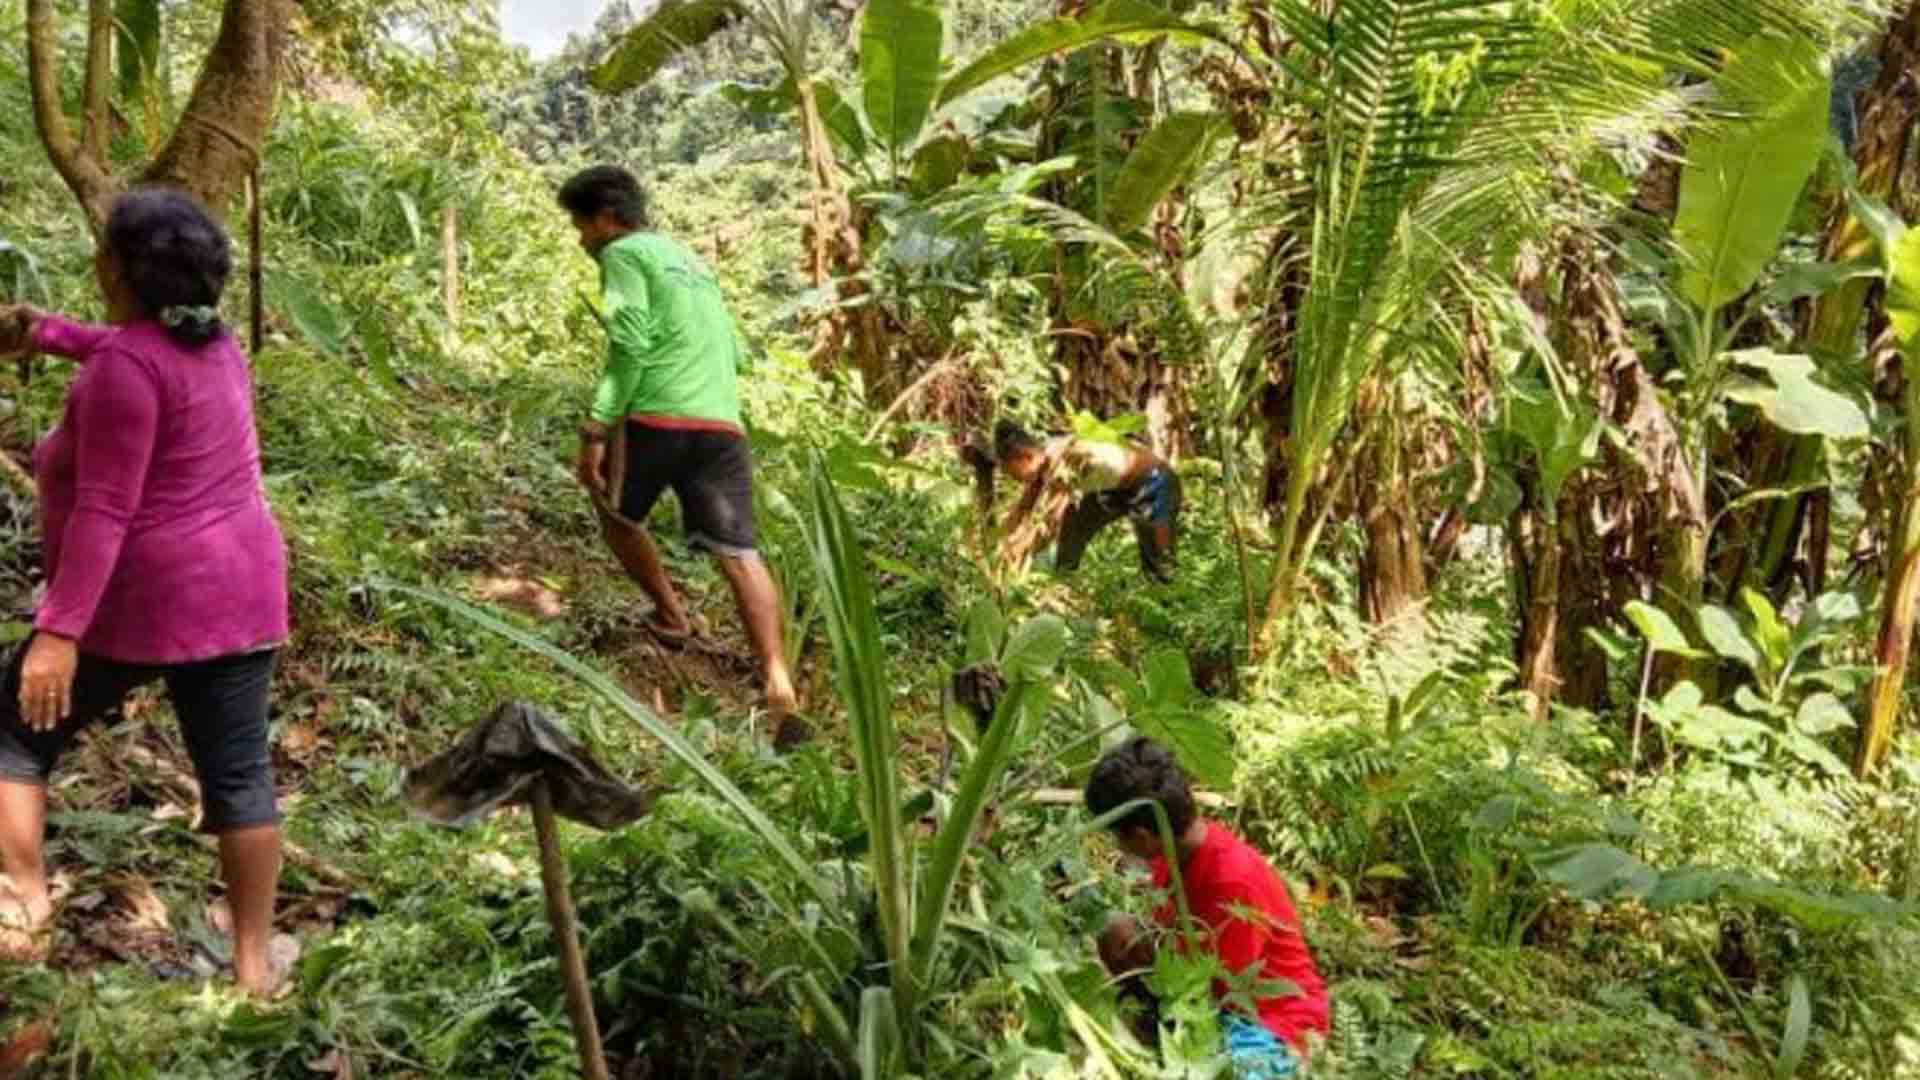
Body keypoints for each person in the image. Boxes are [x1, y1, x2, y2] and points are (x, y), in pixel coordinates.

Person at [0, 189, 288, 995]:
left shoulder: (121, 374)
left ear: (117, 270)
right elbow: (128, 353)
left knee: (13, 733)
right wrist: (44, 333)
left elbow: (105, 509)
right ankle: (255, 974)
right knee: (239, 775)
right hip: (244, 595)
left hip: (146, 600)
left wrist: (58, 632)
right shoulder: (214, 343)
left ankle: (23, 913)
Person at [556, 165, 802, 744]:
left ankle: (671, 615)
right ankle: (778, 683)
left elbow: (630, 342)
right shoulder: (692, 263)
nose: (582, 240)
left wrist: (596, 429)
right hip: (722, 424)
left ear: (607, 218)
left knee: (613, 510)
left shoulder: (623, 255)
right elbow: (738, 352)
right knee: (741, 555)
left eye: (581, 225)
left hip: (655, 416)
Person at [1085, 737, 1329, 1076]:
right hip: (1200, 993)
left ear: (1142, 837)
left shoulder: (1231, 879)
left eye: (1118, 836)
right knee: (1116, 931)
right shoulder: (1174, 853)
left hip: (1272, 1018)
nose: (1118, 845)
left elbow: (1228, 988)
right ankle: (1164, 1032)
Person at [994, 420, 1181, 583]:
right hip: (1113, 489)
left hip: (1153, 481)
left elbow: (1051, 518)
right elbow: (1025, 506)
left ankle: (1168, 595)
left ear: (1025, 457)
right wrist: (999, 541)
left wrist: (1020, 552)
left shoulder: (1063, 460)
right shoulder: (1042, 461)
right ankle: (1061, 577)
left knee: (1159, 556)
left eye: (1012, 472)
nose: (1014, 479)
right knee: (1073, 524)